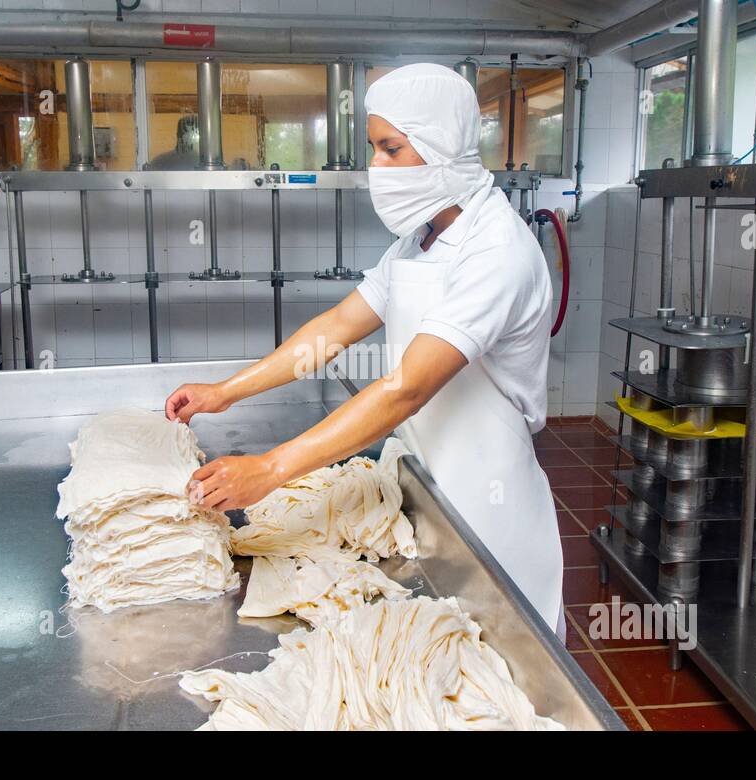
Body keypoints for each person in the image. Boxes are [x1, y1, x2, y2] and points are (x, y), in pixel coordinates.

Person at [164, 63, 564, 632]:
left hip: (487, 505)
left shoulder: (497, 250)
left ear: (440, 147)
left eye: (391, 149)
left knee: (500, 662)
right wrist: (225, 392)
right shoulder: (418, 239)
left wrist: (270, 469)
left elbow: (407, 389)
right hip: (424, 487)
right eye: (374, 148)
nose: (376, 166)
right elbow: (336, 326)